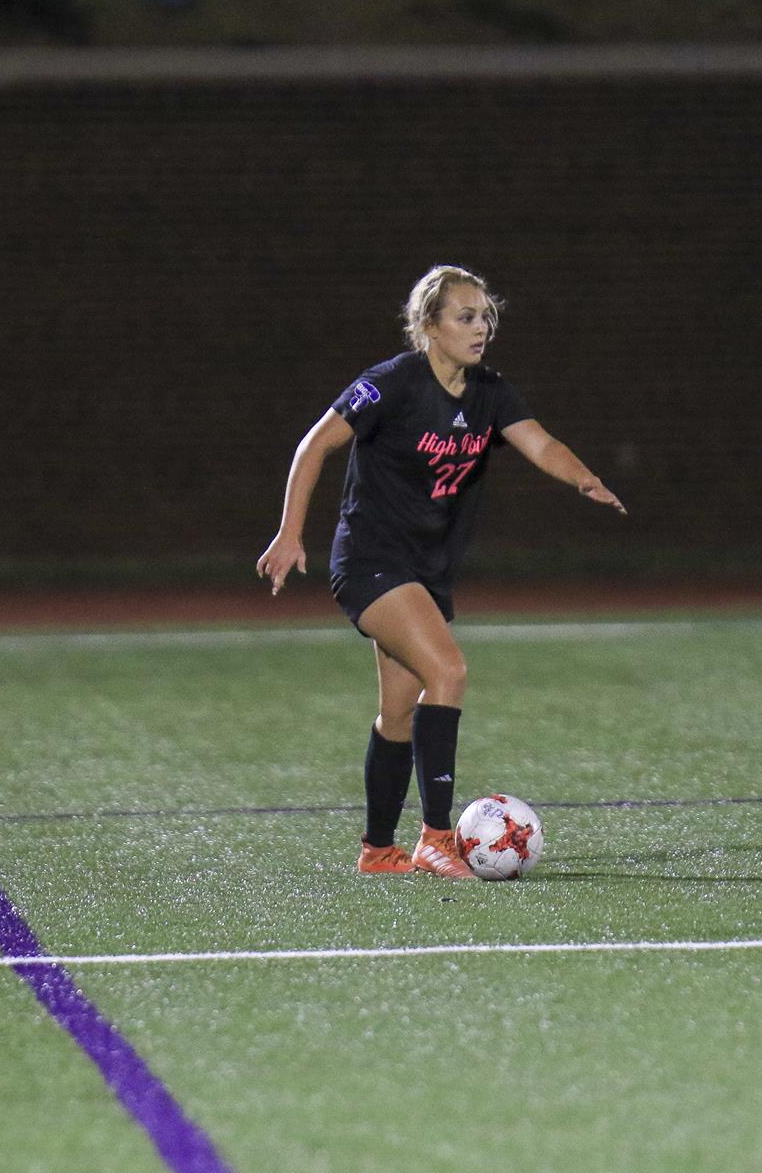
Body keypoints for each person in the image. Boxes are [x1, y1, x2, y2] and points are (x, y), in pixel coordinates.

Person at [257, 265, 626, 877]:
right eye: (465, 316)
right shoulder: (390, 385)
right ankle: (435, 837)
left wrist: (583, 477)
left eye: (485, 316)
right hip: (372, 562)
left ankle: (377, 851)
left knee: (399, 713)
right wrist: (291, 532)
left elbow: (539, 443)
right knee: (449, 671)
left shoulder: (489, 391)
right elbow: (315, 443)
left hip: (425, 571)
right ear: (429, 326)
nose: (481, 327)